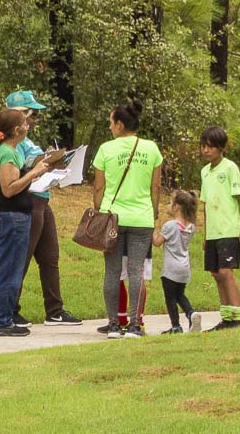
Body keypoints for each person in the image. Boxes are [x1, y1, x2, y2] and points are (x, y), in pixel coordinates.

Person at [92, 99, 163, 337]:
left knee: (112, 272)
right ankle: (135, 324)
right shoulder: (151, 148)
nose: (110, 127)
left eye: (111, 123)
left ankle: (114, 324)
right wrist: (153, 211)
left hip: (113, 217)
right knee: (136, 271)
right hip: (142, 218)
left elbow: (98, 188)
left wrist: (100, 214)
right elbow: (156, 186)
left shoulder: (106, 149)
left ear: (120, 125)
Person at [7, 89, 78, 326]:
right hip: (29, 200)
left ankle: (55, 310)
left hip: (43, 199)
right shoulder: (11, 142)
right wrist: (41, 163)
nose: (35, 119)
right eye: (32, 114)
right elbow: (17, 171)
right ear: (19, 114)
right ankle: (10, 309)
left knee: (50, 257)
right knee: (22, 256)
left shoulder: (27, 140)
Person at [0, 108, 53, 337]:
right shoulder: (8, 153)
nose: (28, 126)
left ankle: (5, 318)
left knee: (6, 268)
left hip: (0, 216)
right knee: (8, 270)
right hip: (10, 217)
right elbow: (9, 189)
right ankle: (3, 321)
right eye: (25, 123)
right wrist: (34, 173)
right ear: (16, 130)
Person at [198, 126, 240, 330]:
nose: (205, 150)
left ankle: (237, 316)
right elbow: (206, 204)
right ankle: (226, 316)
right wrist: (205, 233)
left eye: (210, 147)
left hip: (229, 229)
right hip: (213, 232)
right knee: (216, 273)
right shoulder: (204, 172)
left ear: (221, 148)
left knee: (226, 272)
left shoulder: (230, 168)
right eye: (203, 146)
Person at [154, 190, 200, 334]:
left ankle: (176, 326)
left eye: (170, 202)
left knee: (170, 298)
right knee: (179, 295)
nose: (168, 205)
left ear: (177, 207)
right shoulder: (191, 227)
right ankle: (191, 313)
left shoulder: (171, 225)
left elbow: (157, 242)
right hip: (184, 268)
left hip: (170, 269)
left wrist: (150, 228)